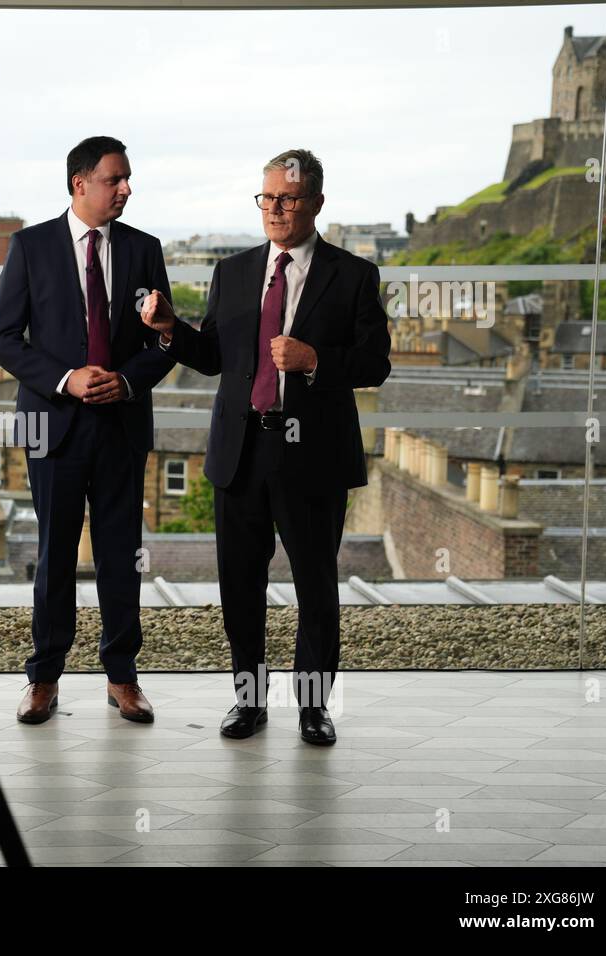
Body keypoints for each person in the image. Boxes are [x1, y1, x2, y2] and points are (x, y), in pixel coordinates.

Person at [141, 149, 390, 745]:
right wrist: (173, 330)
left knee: (315, 587)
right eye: (268, 198)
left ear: (317, 204)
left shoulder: (354, 275)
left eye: (290, 199)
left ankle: (312, 708)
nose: (276, 209)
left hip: (312, 457)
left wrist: (314, 362)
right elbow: (213, 359)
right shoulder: (232, 272)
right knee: (240, 586)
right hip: (240, 452)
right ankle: (249, 701)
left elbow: (376, 364)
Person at [0, 136, 174, 725]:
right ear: (79, 183)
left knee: (122, 555)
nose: (126, 189)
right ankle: (43, 678)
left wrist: (128, 381)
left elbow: (164, 338)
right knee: (55, 555)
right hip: (53, 426)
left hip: (121, 426)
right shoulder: (31, 246)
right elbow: (3, 339)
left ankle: (123, 678)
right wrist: (66, 379)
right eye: (115, 179)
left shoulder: (145, 249)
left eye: (127, 180)